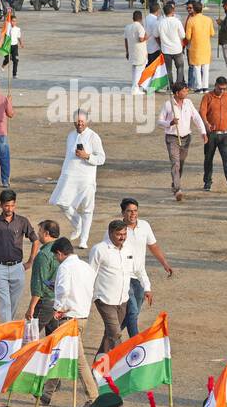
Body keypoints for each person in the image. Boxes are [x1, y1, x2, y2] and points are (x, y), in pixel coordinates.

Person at [48, 111, 104, 250]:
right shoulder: (71, 136)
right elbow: (68, 157)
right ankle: (77, 223)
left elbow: (101, 158)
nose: (79, 124)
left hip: (87, 179)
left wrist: (87, 156)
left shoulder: (93, 137)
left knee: (87, 210)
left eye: (82, 121)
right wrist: (63, 174)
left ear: (87, 121)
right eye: (77, 121)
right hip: (69, 176)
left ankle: (84, 239)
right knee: (61, 201)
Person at [120, 198, 172, 337]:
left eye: (135, 211)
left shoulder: (144, 226)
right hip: (123, 276)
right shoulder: (117, 229)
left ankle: (111, 336)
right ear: (123, 213)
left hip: (139, 275)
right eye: (129, 211)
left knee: (134, 312)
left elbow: (153, 246)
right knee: (132, 311)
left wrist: (164, 263)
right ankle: (136, 343)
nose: (133, 214)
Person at [0, 189, 37, 323]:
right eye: (7, 205)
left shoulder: (22, 221)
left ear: (15, 205)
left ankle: (8, 326)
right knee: (5, 303)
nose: (10, 208)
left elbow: (35, 240)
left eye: (12, 205)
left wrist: (30, 261)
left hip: (17, 267)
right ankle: (7, 331)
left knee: (14, 302)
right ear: (0, 205)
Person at [87, 220, 135, 355]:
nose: (123, 237)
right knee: (115, 334)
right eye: (119, 234)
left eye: (124, 234)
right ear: (110, 233)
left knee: (109, 335)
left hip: (123, 299)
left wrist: (146, 285)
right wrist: (87, 297)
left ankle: (98, 370)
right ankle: (124, 363)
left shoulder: (128, 249)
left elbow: (134, 269)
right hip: (104, 299)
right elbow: (91, 274)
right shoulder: (99, 250)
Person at [157, 82, 207, 202]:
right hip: (172, 137)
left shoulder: (188, 103)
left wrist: (203, 132)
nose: (186, 92)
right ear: (177, 93)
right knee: (176, 163)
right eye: (184, 91)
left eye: (186, 90)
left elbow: (196, 117)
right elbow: (159, 121)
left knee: (181, 163)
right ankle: (177, 189)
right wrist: (170, 123)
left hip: (186, 137)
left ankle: (175, 182)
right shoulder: (168, 105)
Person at [198, 77, 227, 193]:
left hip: (225, 134)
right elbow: (202, 113)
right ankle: (207, 182)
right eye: (220, 88)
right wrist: (206, 124)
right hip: (211, 134)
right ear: (215, 85)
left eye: (224, 89)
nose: (222, 91)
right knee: (208, 159)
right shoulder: (207, 97)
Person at [184, 1, 215, 92]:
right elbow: (212, 33)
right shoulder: (208, 19)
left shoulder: (191, 20)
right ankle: (205, 87)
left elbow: (188, 36)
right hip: (206, 46)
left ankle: (199, 87)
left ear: (194, 10)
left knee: (197, 68)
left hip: (195, 47)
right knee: (206, 68)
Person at [156, 1, 187, 85]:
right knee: (180, 67)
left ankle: (170, 85)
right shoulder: (177, 21)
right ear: (173, 11)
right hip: (177, 49)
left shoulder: (160, 22)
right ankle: (179, 84)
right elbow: (183, 35)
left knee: (168, 69)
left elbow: (156, 35)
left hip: (165, 50)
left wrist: (160, 44)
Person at [125, 9, 148, 91]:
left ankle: (134, 85)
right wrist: (147, 36)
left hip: (131, 50)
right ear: (141, 18)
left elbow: (126, 40)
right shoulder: (140, 27)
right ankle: (135, 88)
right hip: (140, 52)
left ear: (133, 18)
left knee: (134, 69)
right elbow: (141, 39)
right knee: (139, 70)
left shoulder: (128, 27)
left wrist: (127, 51)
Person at [0, 12, 22, 78]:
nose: (14, 22)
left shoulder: (18, 29)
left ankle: (14, 74)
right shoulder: (8, 28)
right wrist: (0, 44)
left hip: (15, 46)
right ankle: (3, 65)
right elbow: (3, 35)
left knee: (16, 60)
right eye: (12, 21)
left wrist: (21, 43)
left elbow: (19, 37)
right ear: (10, 21)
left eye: (15, 21)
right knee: (8, 59)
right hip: (7, 45)